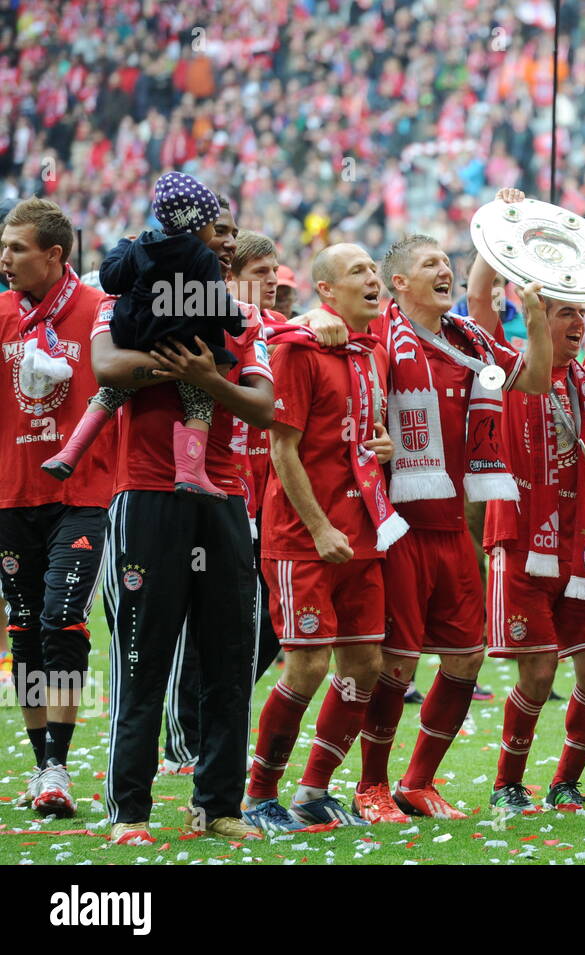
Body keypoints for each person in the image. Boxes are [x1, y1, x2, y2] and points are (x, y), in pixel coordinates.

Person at [337, 227, 550, 822]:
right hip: (400, 525)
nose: (445, 270)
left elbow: (532, 378)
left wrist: (533, 317)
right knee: (396, 665)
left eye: (448, 261)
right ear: (398, 283)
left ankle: (418, 781)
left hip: (455, 526)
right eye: (431, 263)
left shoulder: (469, 338)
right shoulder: (380, 336)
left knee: (465, 658)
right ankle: (370, 787)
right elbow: (350, 395)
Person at [94, 195, 270, 844]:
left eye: (231, 233)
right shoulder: (126, 295)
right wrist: (183, 363)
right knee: (141, 658)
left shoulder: (245, 314)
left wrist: (207, 378)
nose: (226, 242)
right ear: (184, 230)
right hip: (147, 493)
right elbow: (107, 367)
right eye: (216, 230)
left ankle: (218, 807)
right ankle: (130, 813)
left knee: (227, 662)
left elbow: (262, 406)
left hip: (225, 499)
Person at [242, 243, 404, 830]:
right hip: (304, 535)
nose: (372, 278)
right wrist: (319, 525)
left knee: (364, 663)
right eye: (357, 271)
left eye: (373, 270)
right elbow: (283, 448)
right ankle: (259, 794)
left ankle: (314, 790)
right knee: (307, 665)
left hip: (363, 532)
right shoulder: (298, 349)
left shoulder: (372, 351)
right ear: (327, 292)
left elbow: (358, 432)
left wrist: (381, 446)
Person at [483, 268, 585, 814]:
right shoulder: (510, 371)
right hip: (523, 542)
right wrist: (499, 244)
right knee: (539, 669)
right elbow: (481, 305)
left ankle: (566, 783)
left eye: (582, 313)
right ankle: (508, 783)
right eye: (565, 313)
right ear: (537, 318)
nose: (579, 323)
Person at [160, 230, 287, 775]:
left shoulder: (280, 332)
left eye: (276, 272)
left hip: (267, 499)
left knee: (264, 628)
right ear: (229, 280)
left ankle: (207, 724)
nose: (273, 282)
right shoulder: (206, 322)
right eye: (260, 273)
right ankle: (183, 741)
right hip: (216, 488)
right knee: (198, 626)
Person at [0, 198, 111, 817]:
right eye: (2, 247)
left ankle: (59, 765)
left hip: (83, 492)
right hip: (13, 494)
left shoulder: (99, 313)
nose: (4, 260)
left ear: (54, 254)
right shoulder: (0, 313)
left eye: (16, 248)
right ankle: (45, 765)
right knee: (23, 633)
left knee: (60, 622)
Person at [42, 173, 244, 498]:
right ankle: (190, 471)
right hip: (183, 342)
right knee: (199, 404)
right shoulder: (202, 256)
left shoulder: (141, 244)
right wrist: (237, 323)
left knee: (108, 395)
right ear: (198, 223)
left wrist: (124, 246)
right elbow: (215, 301)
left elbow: (110, 279)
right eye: (213, 226)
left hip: (135, 334)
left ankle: (68, 453)